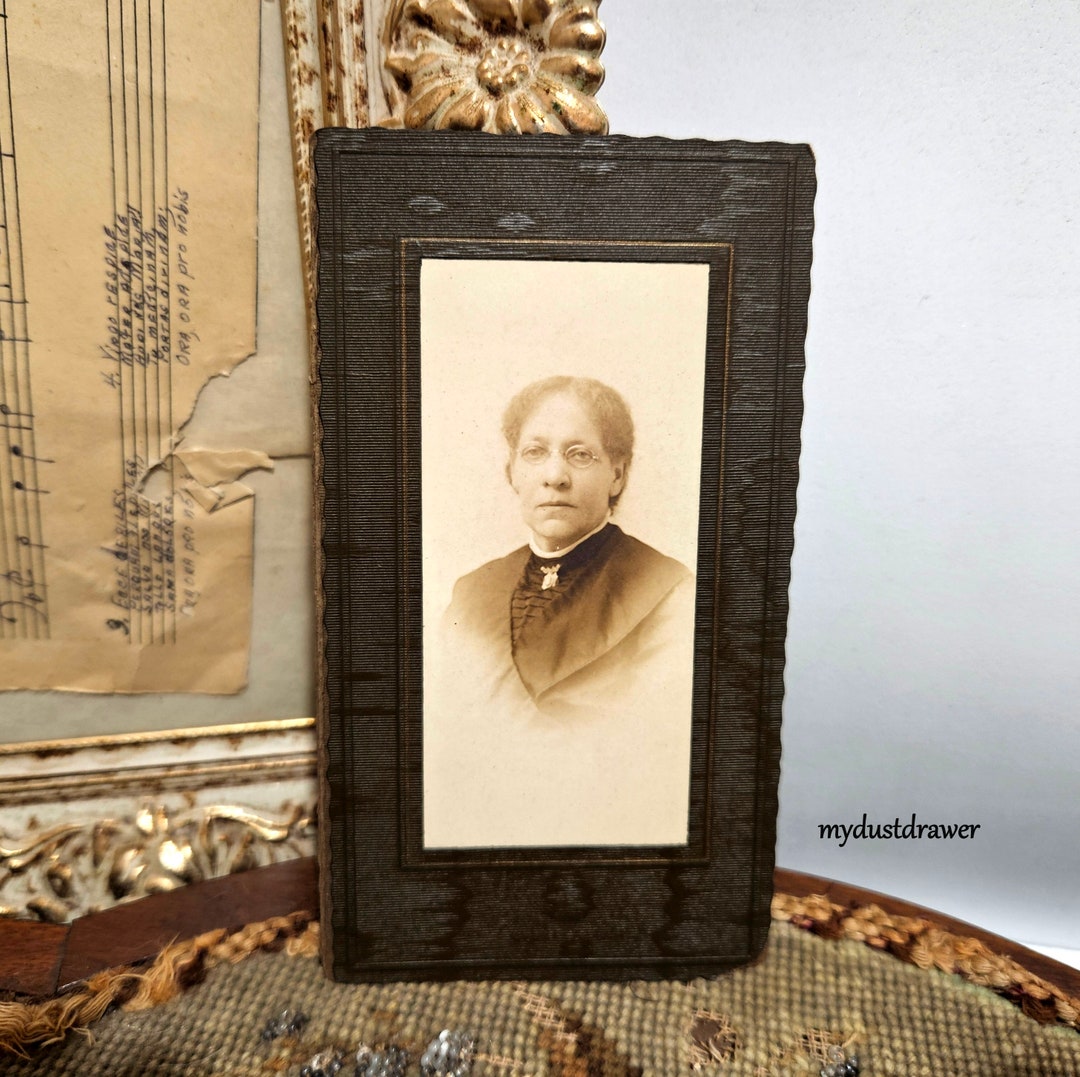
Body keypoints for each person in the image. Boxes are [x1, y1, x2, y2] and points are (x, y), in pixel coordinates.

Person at [424, 375, 696, 849]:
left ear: (618, 473)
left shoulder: (668, 592)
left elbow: (660, 760)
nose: (555, 476)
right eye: (535, 453)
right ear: (510, 470)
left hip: (609, 828)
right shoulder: (470, 594)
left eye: (580, 454)